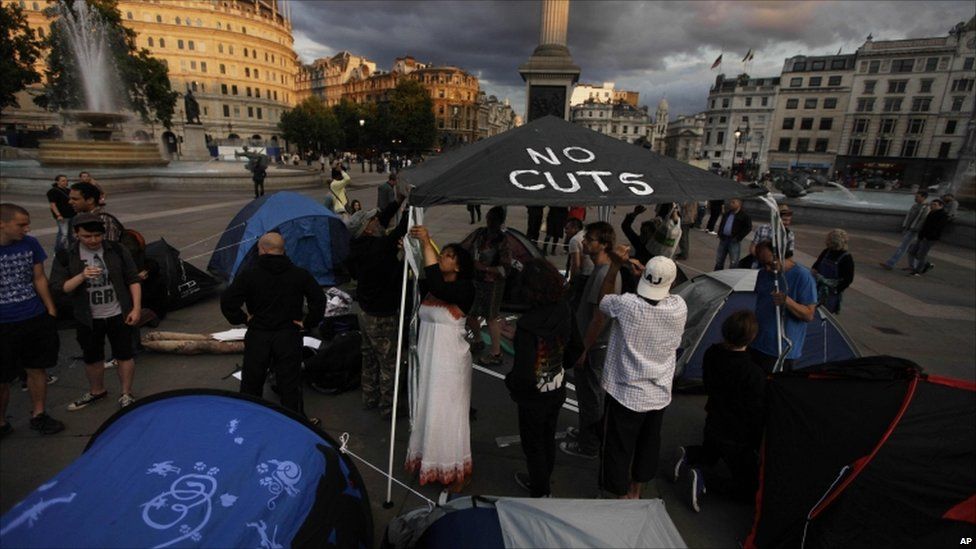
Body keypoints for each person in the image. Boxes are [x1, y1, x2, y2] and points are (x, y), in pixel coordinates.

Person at [599, 254, 687, 499]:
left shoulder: (627, 304)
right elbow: (663, 292)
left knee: (617, 447)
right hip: (658, 393)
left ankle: (615, 495)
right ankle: (635, 491)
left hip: (626, 392)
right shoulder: (679, 307)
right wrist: (652, 279)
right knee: (648, 445)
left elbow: (604, 299)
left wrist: (616, 266)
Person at [220, 232, 326, 421]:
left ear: (263, 249)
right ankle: (296, 422)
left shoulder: (249, 274)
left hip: (259, 334)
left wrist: (243, 318)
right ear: (282, 250)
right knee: (290, 384)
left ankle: (248, 419)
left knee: (252, 382)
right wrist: (308, 322)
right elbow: (318, 299)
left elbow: (228, 301)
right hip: (288, 335)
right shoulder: (299, 274)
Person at [404, 225, 476, 492]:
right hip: (428, 358)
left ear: (458, 266)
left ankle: (456, 469)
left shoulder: (464, 289)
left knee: (447, 414)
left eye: (447, 256)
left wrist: (426, 242)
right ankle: (430, 461)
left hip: (449, 363)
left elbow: (434, 280)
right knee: (428, 410)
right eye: (442, 254)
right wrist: (411, 251)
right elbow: (421, 278)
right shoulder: (434, 288)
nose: (442, 258)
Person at [674, 310, 764, 512]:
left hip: (713, 421)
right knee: (750, 488)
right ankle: (706, 480)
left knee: (711, 453)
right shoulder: (753, 373)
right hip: (736, 436)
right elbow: (755, 412)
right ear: (751, 337)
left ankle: (689, 454)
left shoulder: (711, 353)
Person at [51, 213, 143, 410]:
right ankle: (97, 391)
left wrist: (135, 308)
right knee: (92, 356)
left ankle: (126, 393)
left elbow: (133, 279)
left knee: (124, 354)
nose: (93, 240)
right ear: (76, 234)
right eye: (86, 236)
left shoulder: (116, 250)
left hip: (118, 312)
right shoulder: (66, 256)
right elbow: (61, 288)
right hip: (88, 317)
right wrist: (82, 276)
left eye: (97, 235)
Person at [506, 259, 572, 497]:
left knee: (532, 445)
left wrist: (511, 383)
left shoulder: (527, 325)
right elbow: (573, 348)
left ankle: (540, 490)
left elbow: (524, 373)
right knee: (547, 439)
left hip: (533, 397)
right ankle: (542, 481)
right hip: (556, 386)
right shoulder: (563, 308)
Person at [0, 204, 66, 437]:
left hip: (33, 316)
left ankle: (38, 414)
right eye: (21, 225)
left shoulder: (30, 244)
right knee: (3, 376)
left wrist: (50, 309)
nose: (26, 229)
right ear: (2, 224)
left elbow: (39, 278)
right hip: (3, 322)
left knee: (37, 368)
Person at [560, 221, 621, 460]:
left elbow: (600, 317)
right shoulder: (599, 270)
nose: (584, 242)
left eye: (590, 239)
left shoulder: (604, 274)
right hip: (591, 344)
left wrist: (584, 349)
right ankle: (587, 433)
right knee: (587, 395)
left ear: (604, 244)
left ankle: (590, 444)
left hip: (594, 347)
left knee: (592, 396)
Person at [345, 195, 409, 419]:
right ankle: (388, 407)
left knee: (369, 357)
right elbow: (401, 229)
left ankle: (369, 397)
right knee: (388, 362)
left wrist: (398, 201)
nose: (378, 222)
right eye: (373, 222)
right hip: (383, 314)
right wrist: (411, 207)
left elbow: (382, 220)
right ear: (367, 229)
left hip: (364, 311)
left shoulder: (357, 246)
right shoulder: (379, 248)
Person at [750, 240, 817, 372]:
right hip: (757, 343)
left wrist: (787, 301)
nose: (767, 269)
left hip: (781, 351)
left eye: (770, 264)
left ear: (781, 255)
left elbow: (809, 315)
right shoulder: (763, 274)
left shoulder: (802, 276)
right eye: (763, 264)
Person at [466, 206, 511, 367]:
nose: (489, 221)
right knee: (470, 312)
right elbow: (464, 246)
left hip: (493, 284)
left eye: (493, 219)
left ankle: (496, 353)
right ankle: (478, 340)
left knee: (491, 317)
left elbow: (506, 268)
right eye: (489, 217)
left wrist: (484, 268)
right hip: (476, 281)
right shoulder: (480, 233)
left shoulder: (503, 240)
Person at [880, 191, 928, 270]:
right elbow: (909, 217)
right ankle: (918, 266)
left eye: (917, 197)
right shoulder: (915, 206)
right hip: (910, 230)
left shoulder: (925, 208)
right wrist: (906, 227)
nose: (915, 198)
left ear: (923, 197)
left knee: (902, 248)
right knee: (912, 250)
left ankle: (890, 263)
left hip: (915, 231)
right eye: (915, 196)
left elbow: (922, 220)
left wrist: (915, 229)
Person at [812, 229, 855, 314]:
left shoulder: (846, 258)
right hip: (818, 287)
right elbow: (816, 266)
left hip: (831, 292)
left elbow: (848, 279)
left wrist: (836, 290)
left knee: (825, 314)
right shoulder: (827, 252)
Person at [908, 198, 949, 276]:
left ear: (941, 206)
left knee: (921, 254)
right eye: (932, 204)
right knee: (912, 251)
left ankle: (918, 271)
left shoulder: (943, 215)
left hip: (930, 238)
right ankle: (926, 265)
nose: (932, 206)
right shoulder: (931, 212)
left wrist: (929, 236)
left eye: (935, 205)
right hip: (922, 235)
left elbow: (938, 227)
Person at [713, 198, 752, 271]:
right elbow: (722, 223)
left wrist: (738, 237)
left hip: (734, 240)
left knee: (734, 261)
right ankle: (717, 273)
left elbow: (748, 228)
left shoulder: (744, 216)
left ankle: (731, 274)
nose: (731, 204)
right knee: (719, 259)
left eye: (733, 202)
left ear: (739, 204)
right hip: (724, 239)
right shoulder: (727, 213)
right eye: (731, 202)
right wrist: (720, 233)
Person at [565, 217, 592, 310]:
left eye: (567, 228)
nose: (565, 231)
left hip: (584, 275)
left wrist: (571, 282)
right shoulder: (586, 234)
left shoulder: (574, 240)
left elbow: (576, 264)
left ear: (575, 228)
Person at [47, 174, 75, 253]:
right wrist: (58, 215)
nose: (65, 182)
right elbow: (53, 205)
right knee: (63, 234)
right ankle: (59, 250)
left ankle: (71, 248)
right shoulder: (53, 191)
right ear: (57, 182)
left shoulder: (68, 190)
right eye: (63, 180)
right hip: (62, 215)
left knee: (70, 233)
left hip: (72, 214)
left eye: (66, 180)